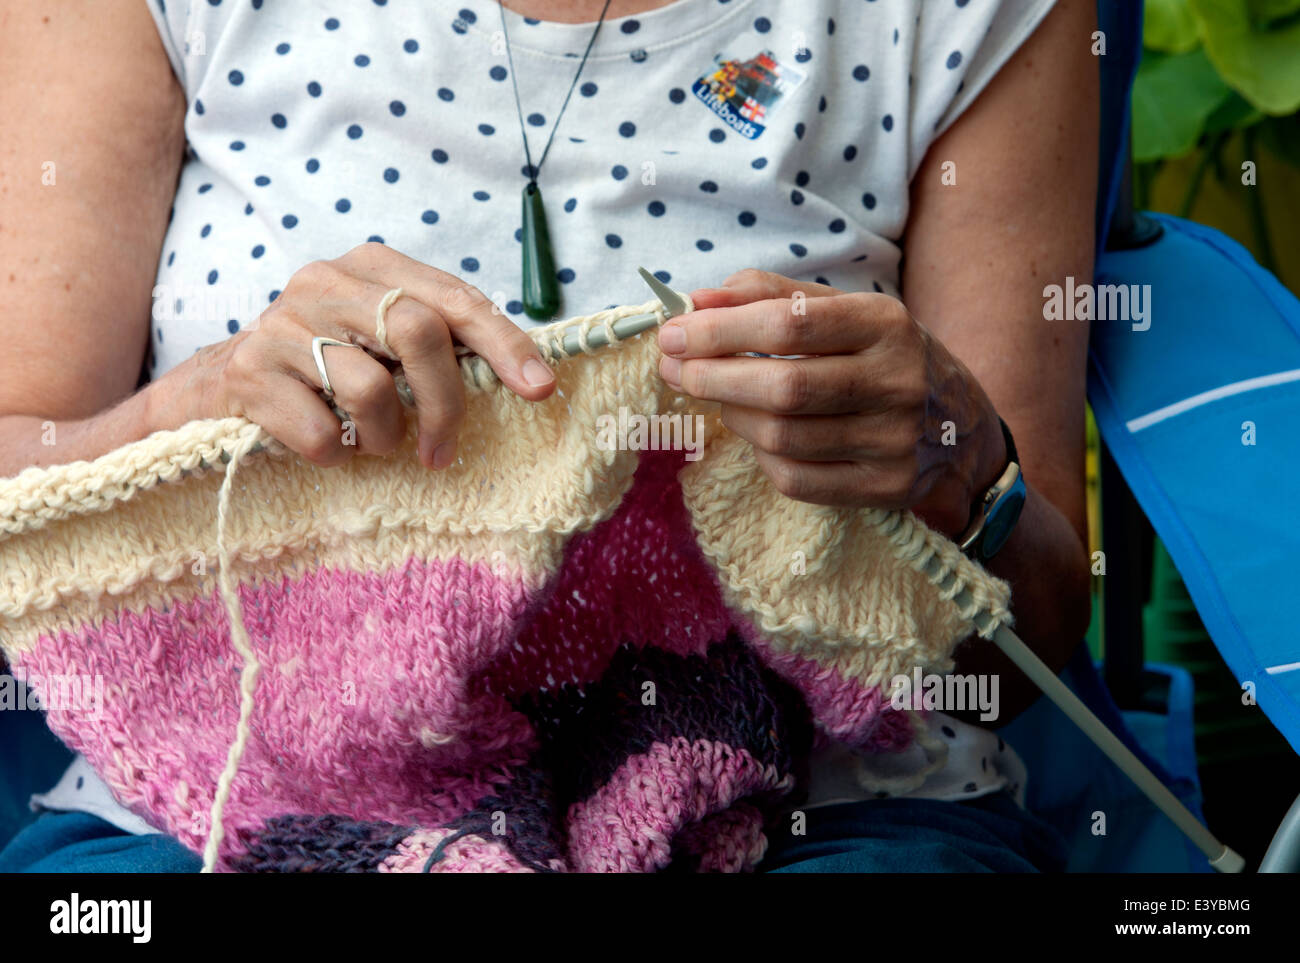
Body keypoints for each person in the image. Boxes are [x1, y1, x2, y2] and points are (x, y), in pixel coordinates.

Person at [0, 0, 1095, 872]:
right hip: (214, 810)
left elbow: (1027, 649)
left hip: (834, 816)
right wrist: (187, 413)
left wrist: (958, 456)